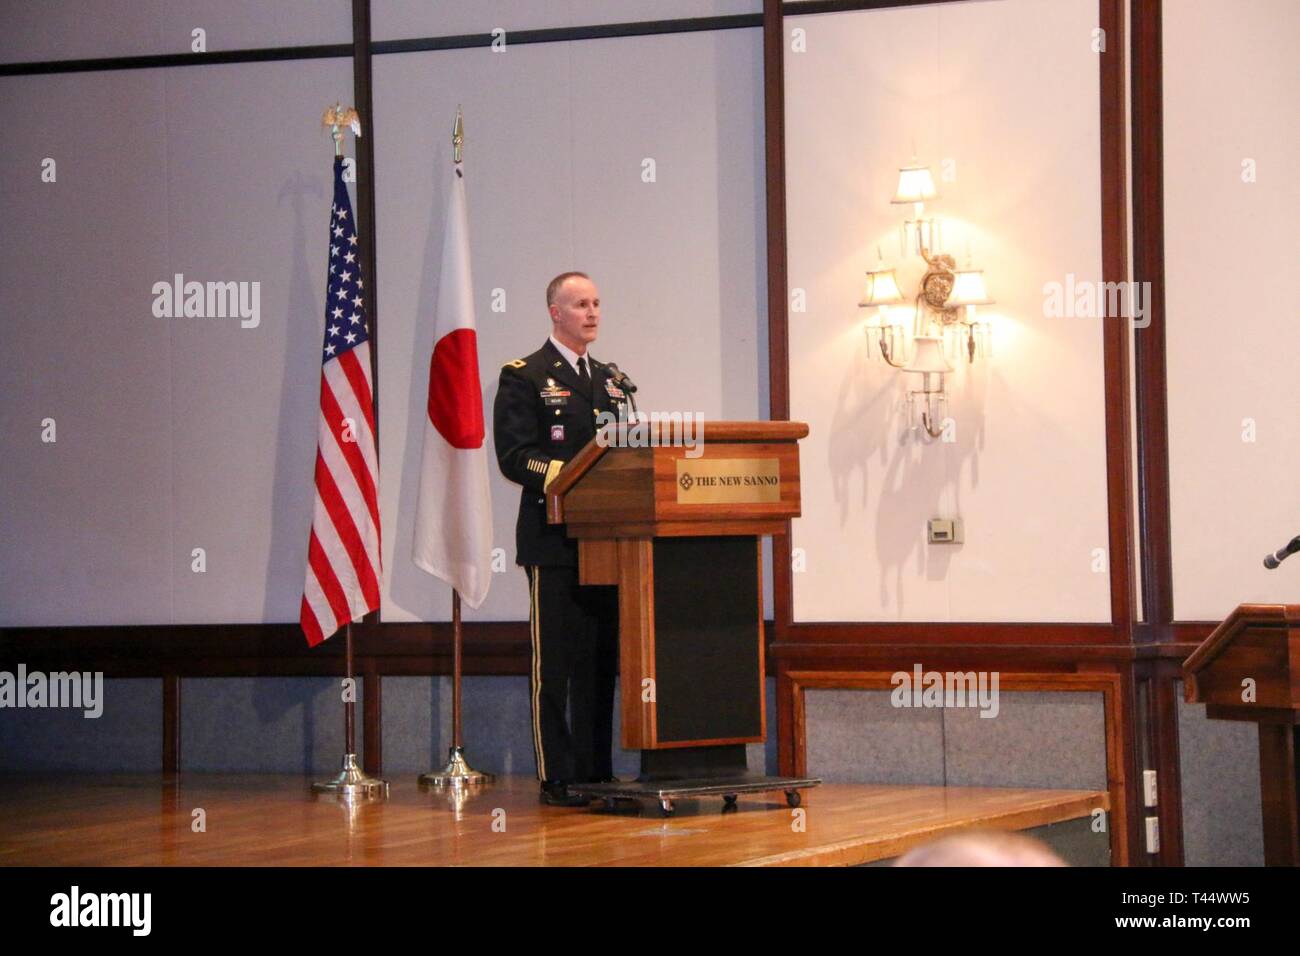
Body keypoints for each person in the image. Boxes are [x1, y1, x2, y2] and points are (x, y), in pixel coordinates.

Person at [493, 271, 631, 807]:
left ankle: (597, 771)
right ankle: (558, 777)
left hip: (606, 542)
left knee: (600, 661)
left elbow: (624, 454)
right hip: (553, 542)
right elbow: (514, 455)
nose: (592, 313)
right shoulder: (525, 375)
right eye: (580, 305)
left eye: (597, 303)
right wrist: (572, 476)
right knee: (556, 664)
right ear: (555, 312)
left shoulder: (613, 380)